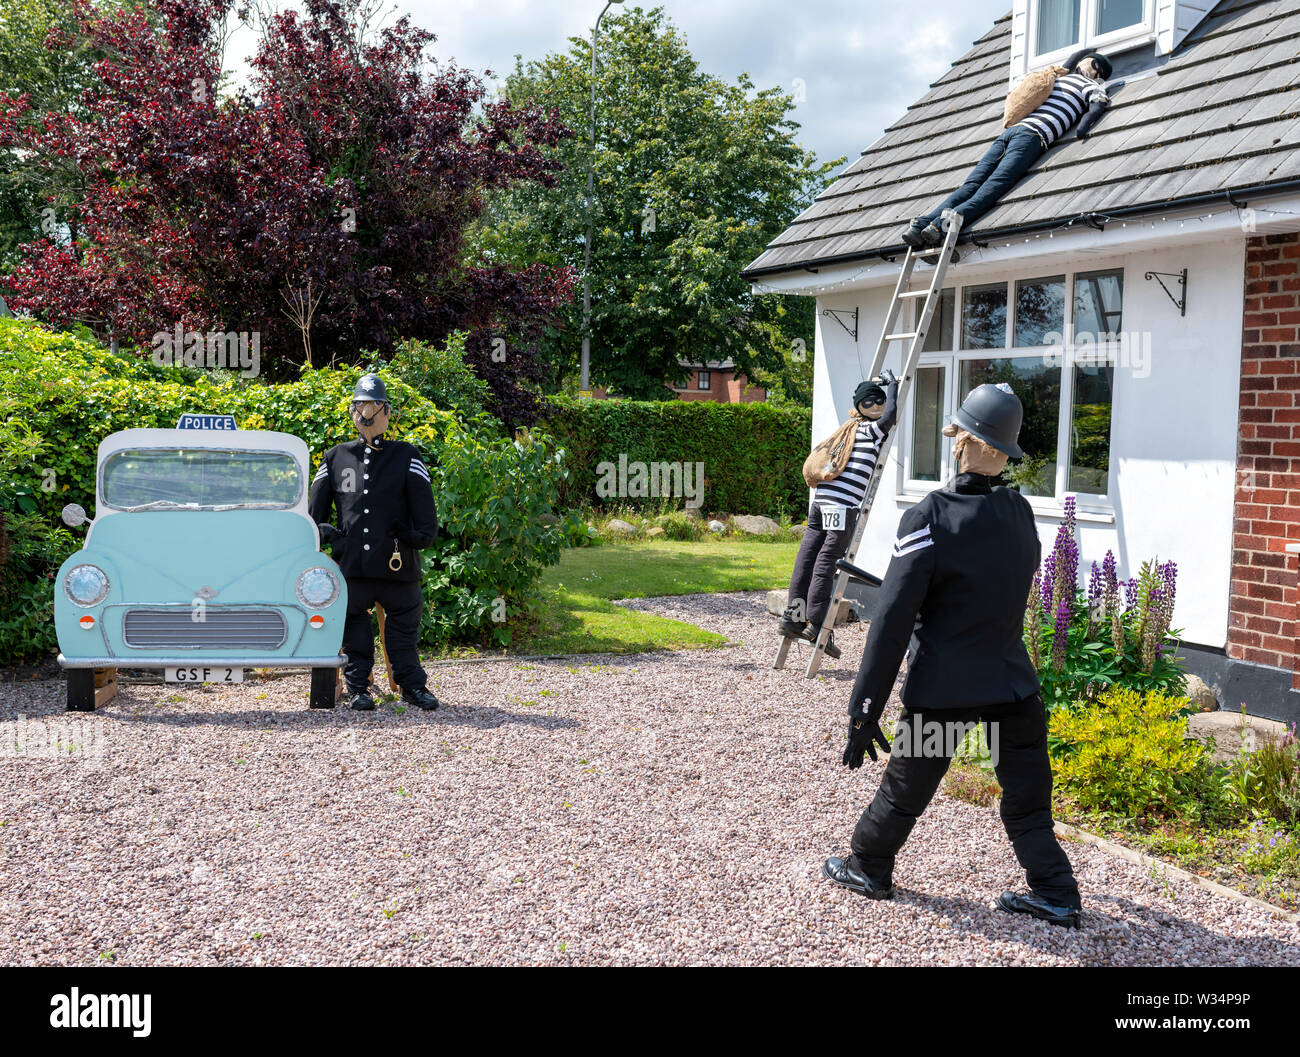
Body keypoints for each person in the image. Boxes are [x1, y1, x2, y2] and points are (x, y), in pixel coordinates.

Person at [822, 382, 1082, 928]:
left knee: (905, 789)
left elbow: (891, 624)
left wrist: (864, 706)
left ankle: (868, 865)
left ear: (960, 440)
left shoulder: (927, 518)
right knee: (1028, 802)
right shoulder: (1020, 514)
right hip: (1014, 687)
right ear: (1003, 450)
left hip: (945, 692)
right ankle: (1056, 892)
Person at [308, 373, 441, 712]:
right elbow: (313, 518)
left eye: (372, 406)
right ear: (352, 411)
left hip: (398, 566)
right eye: (359, 406)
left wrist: (405, 537)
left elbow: (427, 523)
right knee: (353, 627)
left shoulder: (407, 456)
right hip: (353, 568)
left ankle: (411, 685)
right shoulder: (335, 457)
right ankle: (357, 688)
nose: (365, 413)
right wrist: (331, 537)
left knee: (405, 629)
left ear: (386, 412)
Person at [900, 50, 1112, 249]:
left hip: (1010, 132)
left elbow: (1071, 61)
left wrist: (1085, 51)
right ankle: (939, 226)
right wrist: (1082, 130)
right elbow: (1097, 105)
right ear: (1096, 72)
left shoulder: (1058, 77)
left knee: (971, 184)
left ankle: (920, 225)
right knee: (994, 186)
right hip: (1033, 136)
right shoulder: (1090, 85)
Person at [781, 371, 899, 659]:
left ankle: (793, 618)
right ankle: (818, 625)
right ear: (865, 406)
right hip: (841, 507)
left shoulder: (848, 429)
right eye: (873, 402)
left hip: (820, 502)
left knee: (806, 558)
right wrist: (894, 386)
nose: (877, 407)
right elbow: (891, 415)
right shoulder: (871, 431)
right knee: (826, 564)